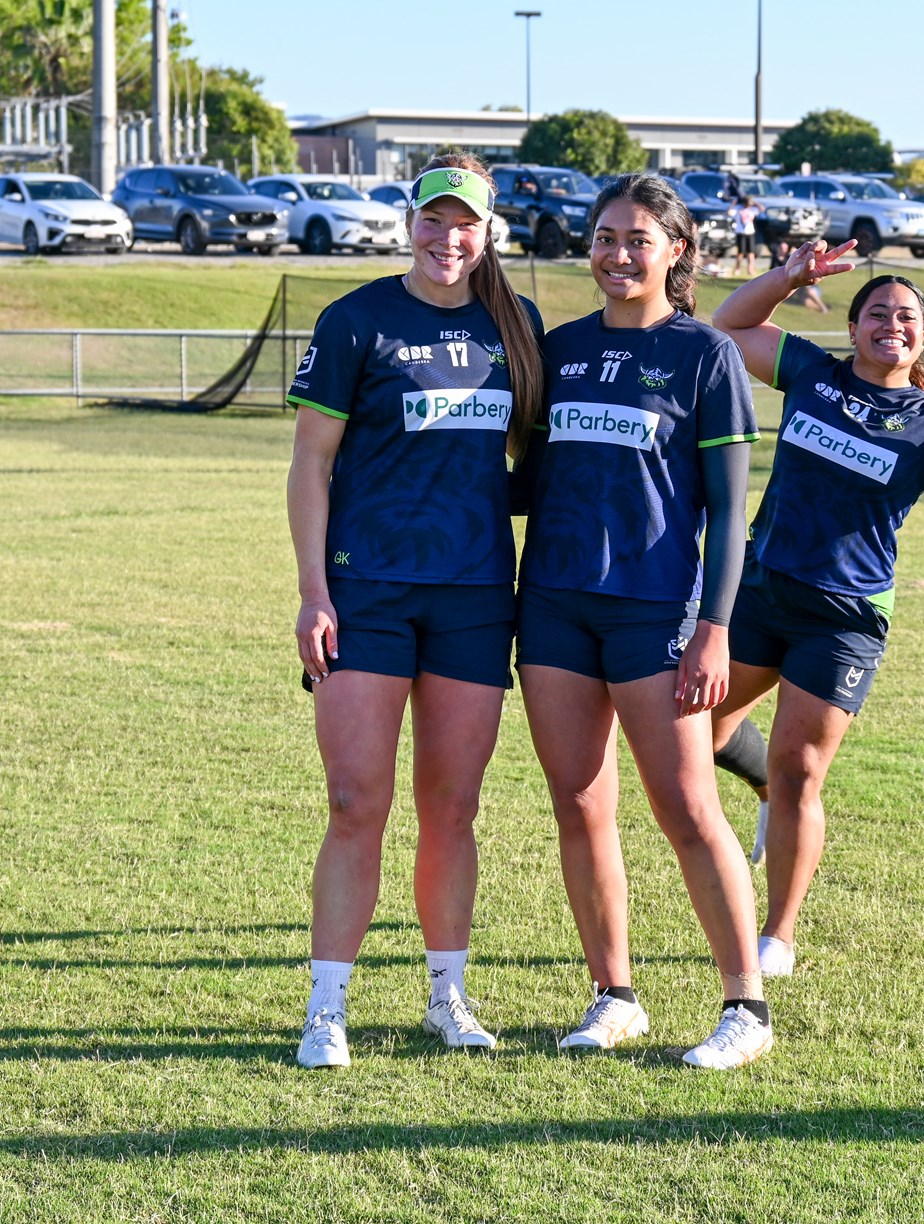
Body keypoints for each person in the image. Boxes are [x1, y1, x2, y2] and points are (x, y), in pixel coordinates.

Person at [710, 241, 924, 978]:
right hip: (760, 590)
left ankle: (777, 936)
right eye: (878, 313)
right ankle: (761, 787)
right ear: (853, 328)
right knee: (697, 734)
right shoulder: (812, 374)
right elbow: (730, 327)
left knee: (801, 770)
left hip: (844, 618)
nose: (893, 324)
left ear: (922, 336)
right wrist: (789, 277)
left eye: (907, 317)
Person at [285, 152, 544, 1068]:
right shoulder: (356, 320)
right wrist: (313, 592)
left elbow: (535, 458)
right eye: (434, 219)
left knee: (454, 807)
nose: (448, 238)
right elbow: (311, 463)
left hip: (475, 595)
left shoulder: (516, 323)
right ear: (410, 223)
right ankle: (326, 1008)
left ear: (489, 232)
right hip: (367, 592)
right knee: (355, 801)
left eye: (466, 223)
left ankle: (446, 995)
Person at [514, 173, 773, 1070]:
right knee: (580, 804)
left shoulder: (706, 356)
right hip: (553, 606)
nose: (617, 254)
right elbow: (527, 480)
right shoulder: (559, 348)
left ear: (676, 251)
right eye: (605, 237)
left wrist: (715, 629)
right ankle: (614, 995)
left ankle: (746, 1007)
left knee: (688, 807)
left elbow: (730, 512)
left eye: (637, 239)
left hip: (655, 611)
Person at [771, 241, 829, 312]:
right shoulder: (775, 258)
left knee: (808, 291)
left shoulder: (790, 258)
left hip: (806, 285)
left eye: (785, 248)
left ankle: (823, 307)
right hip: (794, 285)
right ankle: (822, 307)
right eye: (781, 248)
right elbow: (772, 271)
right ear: (778, 248)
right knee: (805, 302)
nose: (783, 250)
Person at [732, 196, 759, 277]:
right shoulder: (738, 209)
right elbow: (730, 212)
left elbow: (762, 208)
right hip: (741, 233)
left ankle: (750, 269)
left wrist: (755, 203)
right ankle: (737, 269)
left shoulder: (753, 209)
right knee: (740, 252)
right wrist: (733, 202)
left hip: (750, 233)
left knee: (751, 253)